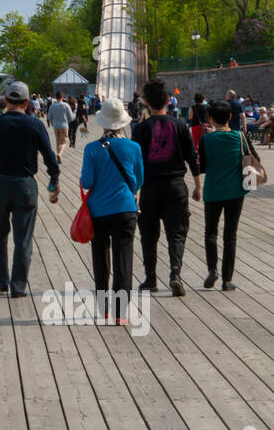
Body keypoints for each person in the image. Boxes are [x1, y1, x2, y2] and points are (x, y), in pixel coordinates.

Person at [0, 82, 59, 298]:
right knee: (23, 239)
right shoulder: (35, 124)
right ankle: (18, 286)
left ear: (6, 101)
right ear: (27, 102)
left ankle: (2, 282)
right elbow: (50, 157)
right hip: (26, 185)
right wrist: (54, 181)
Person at [132, 79, 201, 297]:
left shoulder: (141, 129)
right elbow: (192, 157)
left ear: (145, 102)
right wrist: (198, 186)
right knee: (177, 232)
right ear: (168, 100)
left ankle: (150, 278)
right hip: (175, 186)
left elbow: (135, 163)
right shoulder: (180, 125)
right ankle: (175, 274)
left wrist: (134, 191)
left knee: (148, 234)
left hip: (150, 186)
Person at [81, 98, 144, 323]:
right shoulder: (133, 147)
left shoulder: (91, 149)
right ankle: (119, 313)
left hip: (98, 211)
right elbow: (138, 181)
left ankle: (103, 308)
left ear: (104, 123)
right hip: (125, 209)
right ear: (122, 123)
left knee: (101, 257)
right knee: (123, 258)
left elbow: (87, 181)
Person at [198, 100, 257, 291]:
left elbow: (202, 166)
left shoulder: (206, 139)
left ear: (210, 118)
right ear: (230, 117)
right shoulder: (240, 136)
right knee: (230, 235)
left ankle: (212, 269)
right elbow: (255, 158)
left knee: (210, 232)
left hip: (213, 190)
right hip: (235, 191)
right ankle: (227, 280)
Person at [47, 91, 73, 159]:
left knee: (57, 141)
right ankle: (59, 154)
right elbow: (71, 117)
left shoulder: (52, 106)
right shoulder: (66, 105)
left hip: (55, 126)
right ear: (62, 97)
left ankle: (58, 155)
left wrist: (52, 122)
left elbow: (49, 117)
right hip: (64, 125)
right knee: (63, 142)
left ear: (55, 97)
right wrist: (67, 121)